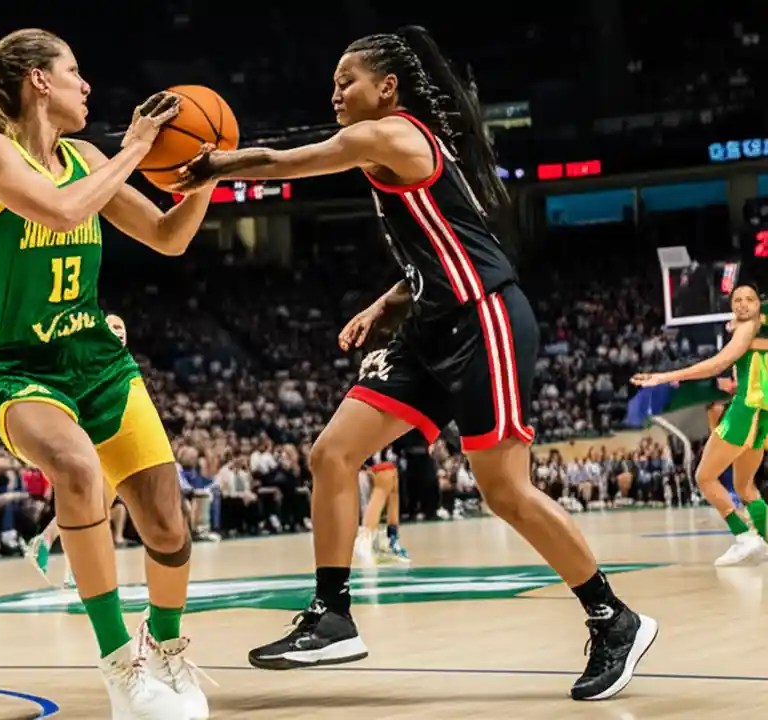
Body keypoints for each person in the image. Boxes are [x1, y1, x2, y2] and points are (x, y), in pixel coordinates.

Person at [176, 26, 656, 701]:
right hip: (429, 322)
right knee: (331, 454)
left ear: (388, 88)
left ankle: (614, 618)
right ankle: (332, 615)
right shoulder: (400, 148)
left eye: (348, 81)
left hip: (483, 319)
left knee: (505, 491)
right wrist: (389, 301)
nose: (336, 93)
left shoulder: (394, 133)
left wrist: (218, 166)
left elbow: (294, 162)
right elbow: (448, 243)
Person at [0, 28, 215, 719]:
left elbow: (168, 238)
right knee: (79, 473)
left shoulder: (86, 156)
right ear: (40, 82)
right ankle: (120, 667)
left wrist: (205, 178)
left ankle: (168, 650)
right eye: (75, 71)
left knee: (169, 526)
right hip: (24, 371)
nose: (87, 86)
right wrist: (138, 150)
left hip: (99, 360)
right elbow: (61, 211)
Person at [632, 284, 768, 565]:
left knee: (704, 477)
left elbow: (717, 363)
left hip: (745, 411)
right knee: (745, 487)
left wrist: (664, 376)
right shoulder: (759, 329)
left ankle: (744, 536)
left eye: (749, 299)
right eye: (737, 300)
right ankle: (764, 541)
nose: (742, 304)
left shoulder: (747, 327)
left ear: (758, 304)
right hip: (762, 414)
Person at [25, 312, 131, 589]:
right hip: (91, 439)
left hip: (111, 440)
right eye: (113, 327)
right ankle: (59, 554)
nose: (119, 331)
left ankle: (63, 559)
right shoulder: (90, 362)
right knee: (92, 508)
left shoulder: (121, 365)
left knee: (97, 510)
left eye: (122, 327)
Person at [355, 446, 409, 566]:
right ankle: (365, 538)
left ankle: (391, 540)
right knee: (386, 479)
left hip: (375, 468)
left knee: (392, 483)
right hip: (366, 469)